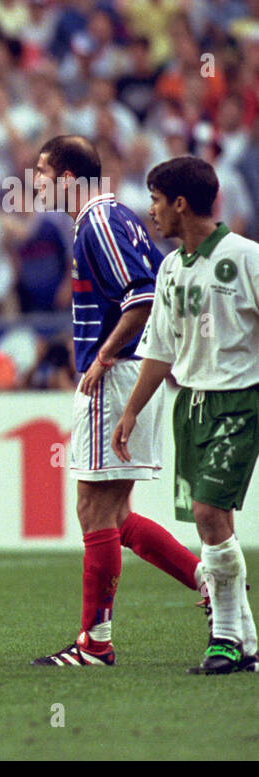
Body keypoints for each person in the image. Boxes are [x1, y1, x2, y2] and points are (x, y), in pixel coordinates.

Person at [30, 135, 204, 668]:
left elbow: (143, 294)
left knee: (93, 508)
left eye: (41, 172)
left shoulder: (99, 221)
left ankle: (95, 643)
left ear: (66, 177)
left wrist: (104, 355)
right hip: (130, 371)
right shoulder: (114, 217)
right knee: (116, 514)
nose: (34, 183)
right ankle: (210, 581)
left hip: (118, 373)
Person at [114, 156, 259, 674]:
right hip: (190, 404)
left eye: (156, 200)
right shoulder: (171, 267)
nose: (151, 212)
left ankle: (222, 639)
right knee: (216, 522)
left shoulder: (245, 257)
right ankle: (245, 641)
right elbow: (159, 349)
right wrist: (132, 410)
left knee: (207, 514)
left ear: (180, 203)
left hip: (239, 400)